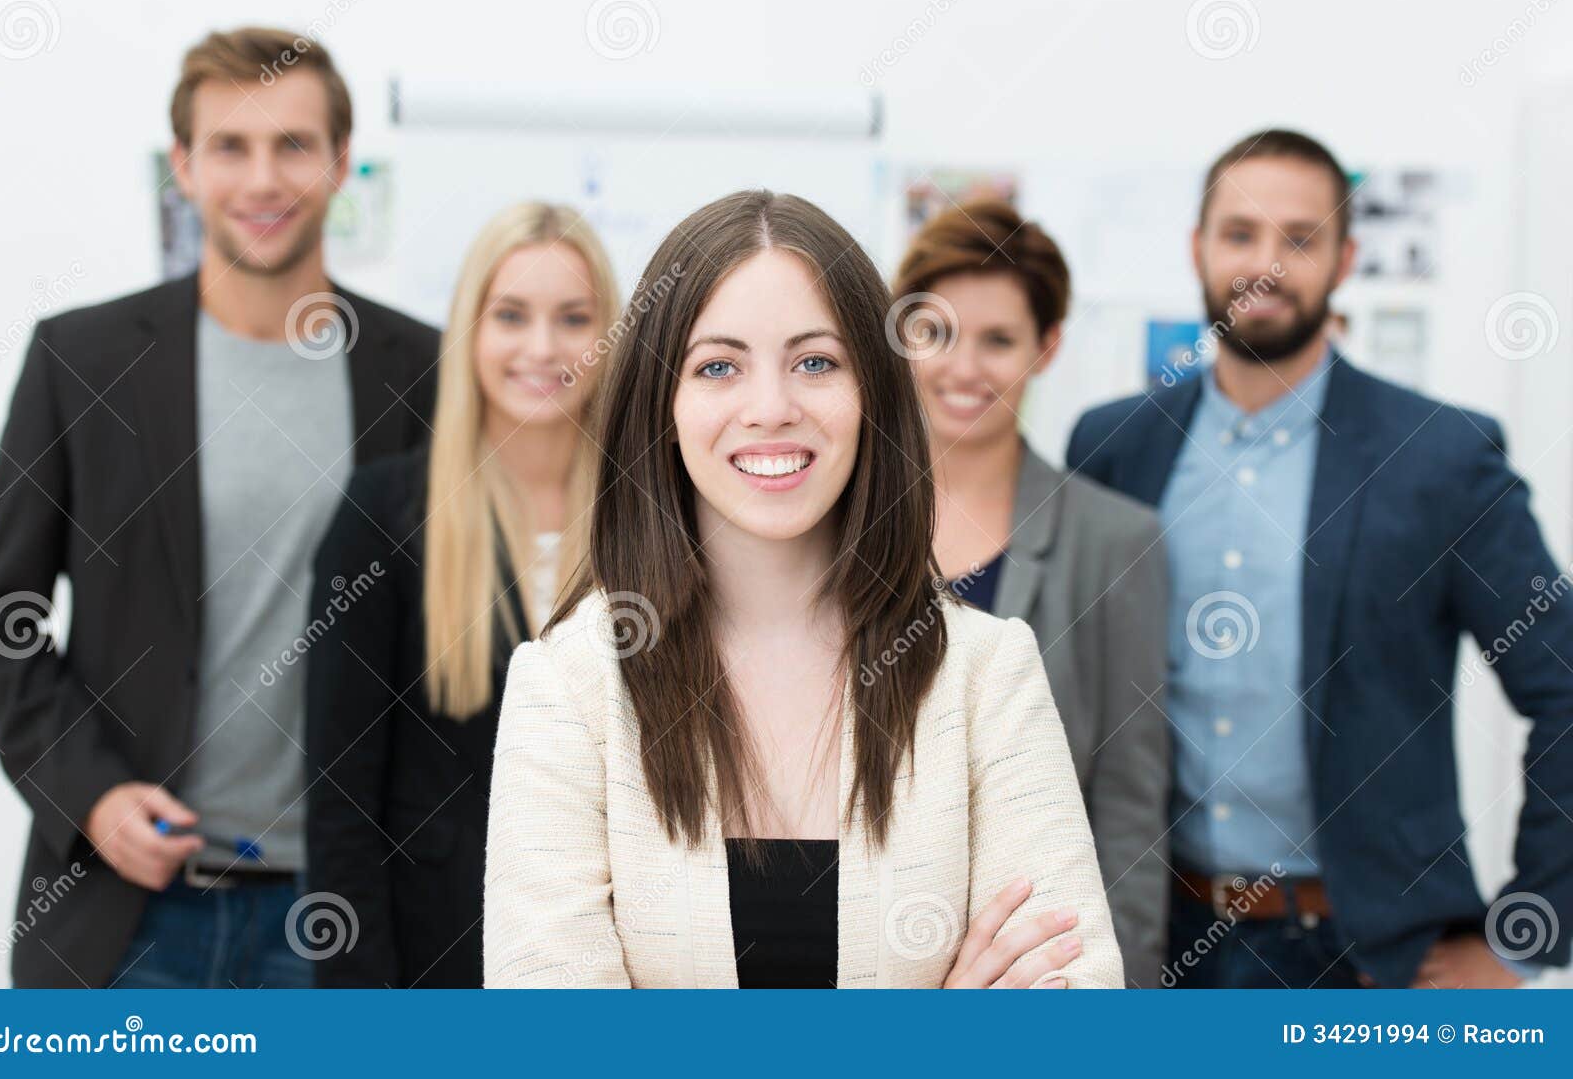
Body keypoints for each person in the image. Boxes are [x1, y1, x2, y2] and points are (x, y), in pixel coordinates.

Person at [483, 190, 1122, 989]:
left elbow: (1073, 1012)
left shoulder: (988, 674)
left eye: (815, 362)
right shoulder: (569, 686)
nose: (771, 409)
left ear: (872, 395)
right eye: (718, 366)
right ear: (661, 404)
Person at [0, 27, 438, 987]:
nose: (263, 179)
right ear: (183, 166)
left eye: (294, 145)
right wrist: (91, 798)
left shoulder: (420, 372)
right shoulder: (84, 362)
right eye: (231, 146)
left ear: (342, 163)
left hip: (347, 919)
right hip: (128, 919)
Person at [1067, 128, 1573, 988]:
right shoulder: (1116, 446)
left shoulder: (1439, 457)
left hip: (1369, 960)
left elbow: (1564, 685)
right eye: (1240, 235)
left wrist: (1524, 934)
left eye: (1299, 239)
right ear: (1198, 249)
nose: (1265, 264)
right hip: (1153, 942)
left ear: (1346, 258)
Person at [305, 203, 619, 986]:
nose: (542, 348)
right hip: (432, 961)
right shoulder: (384, 514)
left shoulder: (652, 520)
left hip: (620, 963)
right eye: (511, 315)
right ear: (469, 332)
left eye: (574, 318)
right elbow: (340, 806)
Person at [893, 200, 1170, 988]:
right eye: (936, 333)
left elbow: (1129, 802)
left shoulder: (1117, 541)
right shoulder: (833, 525)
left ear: (1047, 348)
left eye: (999, 341)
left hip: (1039, 968)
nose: (963, 368)